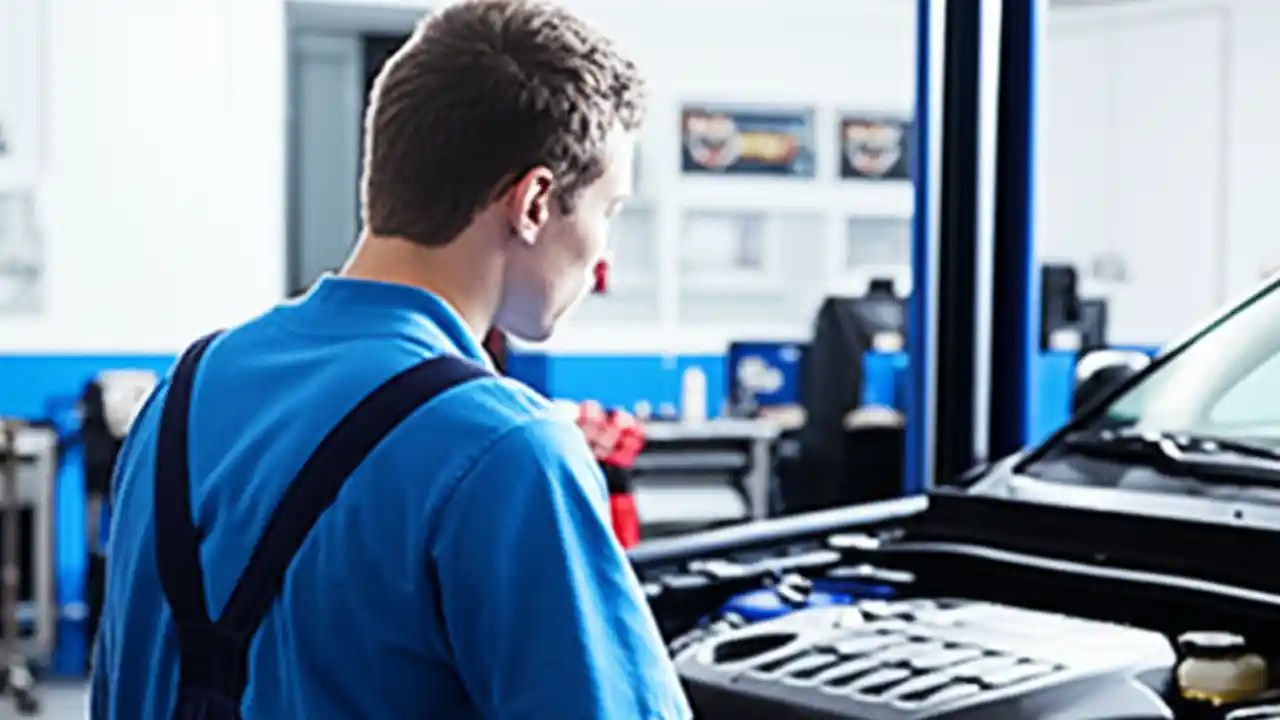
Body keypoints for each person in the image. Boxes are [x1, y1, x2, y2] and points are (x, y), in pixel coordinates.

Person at [90, 1, 691, 717]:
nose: (603, 265)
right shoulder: (505, 449)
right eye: (608, 210)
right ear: (533, 202)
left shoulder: (183, 397)